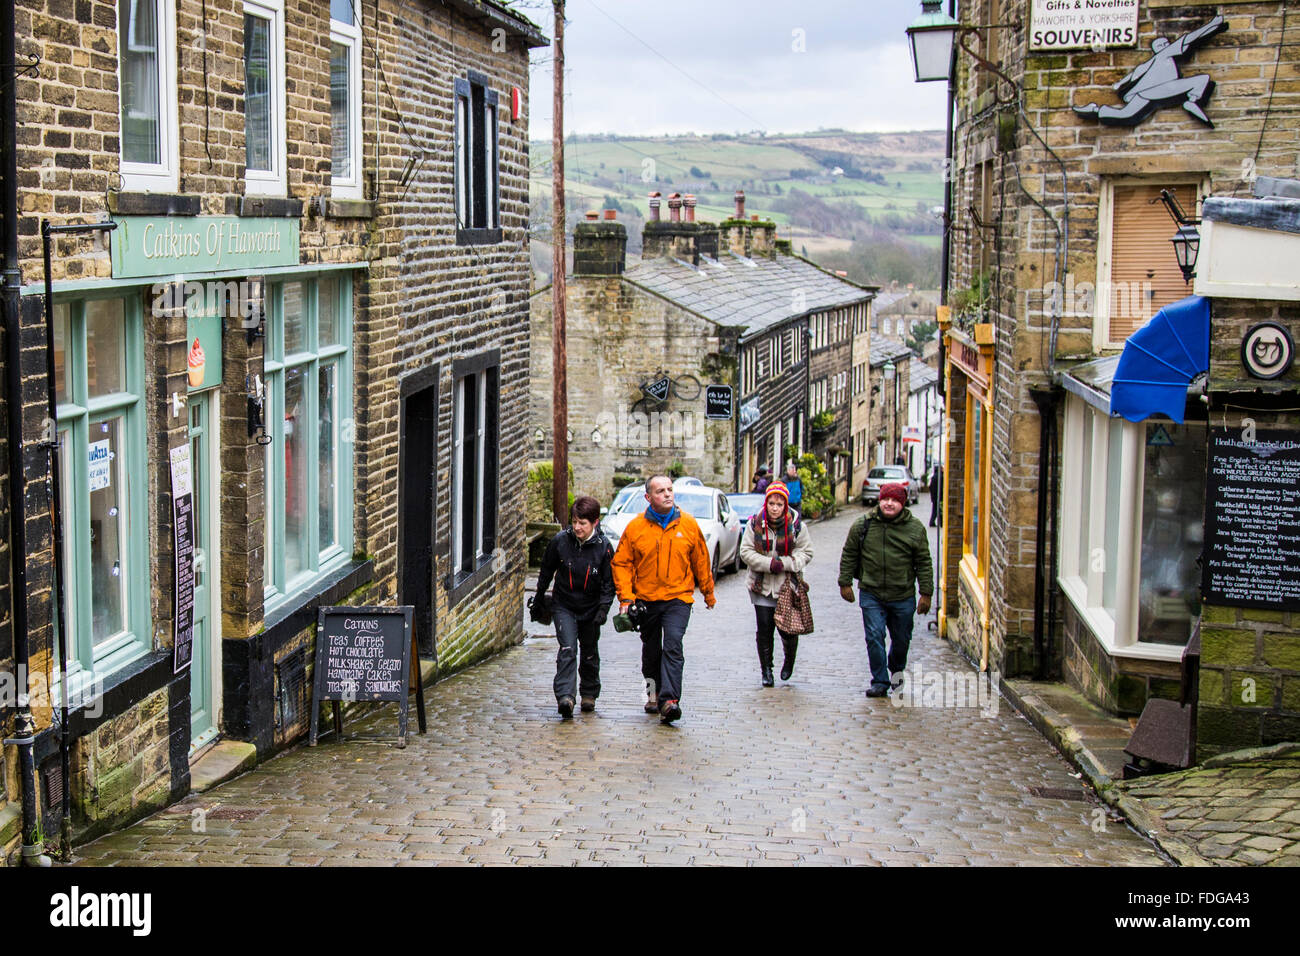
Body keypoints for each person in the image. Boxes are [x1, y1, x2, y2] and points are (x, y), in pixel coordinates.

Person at [612, 474, 715, 724]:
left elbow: (701, 560)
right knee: (650, 651)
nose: (667, 494)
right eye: (660, 491)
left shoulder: (688, 526)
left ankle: (669, 701)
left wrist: (708, 592)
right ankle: (652, 693)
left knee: (672, 644)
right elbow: (621, 563)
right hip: (646, 599)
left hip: (678, 599)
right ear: (648, 497)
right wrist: (626, 597)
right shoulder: (636, 528)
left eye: (670, 489)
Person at [838, 482, 933, 699]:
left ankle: (896, 668)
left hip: (903, 595)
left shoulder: (915, 529)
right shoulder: (863, 525)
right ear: (879, 500)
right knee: (874, 635)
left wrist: (926, 593)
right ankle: (880, 680)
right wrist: (845, 583)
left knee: (901, 639)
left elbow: (924, 562)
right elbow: (849, 553)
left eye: (894, 500)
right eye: (885, 499)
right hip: (872, 592)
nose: (889, 504)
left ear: (903, 503)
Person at [535, 496, 614, 719]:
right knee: (568, 648)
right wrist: (540, 597)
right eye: (575, 522)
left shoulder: (604, 548)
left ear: (594, 523)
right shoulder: (561, 541)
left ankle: (589, 693)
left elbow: (610, 583)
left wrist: (603, 610)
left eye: (583, 523)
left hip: (591, 606)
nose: (577, 527)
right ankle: (565, 697)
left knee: (589, 651)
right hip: (564, 604)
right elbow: (546, 570)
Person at [740, 480, 813, 686]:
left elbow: (806, 552)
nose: (774, 508)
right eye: (771, 503)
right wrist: (768, 564)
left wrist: (787, 563)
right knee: (764, 629)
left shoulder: (797, 525)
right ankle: (767, 670)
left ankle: (789, 660)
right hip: (760, 586)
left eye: (779, 504)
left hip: (786, 586)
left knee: (787, 630)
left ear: (786, 505)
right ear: (766, 503)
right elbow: (745, 552)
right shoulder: (756, 523)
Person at [928, 462, 943, 528]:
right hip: (940, 496)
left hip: (934, 497)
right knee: (940, 510)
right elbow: (942, 487)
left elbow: (930, 487)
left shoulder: (933, 477)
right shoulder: (941, 476)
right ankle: (941, 522)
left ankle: (932, 522)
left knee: (934, 510)